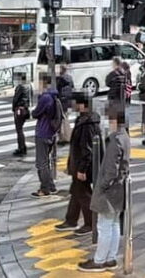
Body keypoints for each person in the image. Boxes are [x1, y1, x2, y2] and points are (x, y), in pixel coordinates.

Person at [79, 105, 130, 272]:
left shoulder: (115, 140)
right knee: (114, 223)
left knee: (104, 225)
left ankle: (100, 260)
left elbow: (110, 169)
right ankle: (110, 258)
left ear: (115, 120)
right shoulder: (125, 137)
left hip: (109, 190)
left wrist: (101, 186)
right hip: (119, 189)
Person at [56, 95, 103, 236]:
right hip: (79, 164)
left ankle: (90, 223)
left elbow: (87, 149)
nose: (74, 106)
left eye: (76, 103)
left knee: (83, 194)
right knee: (76, 193)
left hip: (84, 167)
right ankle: (71, 220)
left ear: (83, 105)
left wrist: (82, 169)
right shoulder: (84, 119)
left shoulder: (87, 124)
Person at [31, 75, 59, 197]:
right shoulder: (54, 96)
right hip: (52, 133)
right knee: (46, 162)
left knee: (41, 163)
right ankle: (51, 186)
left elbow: (36, 113)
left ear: (43, 83)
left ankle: (45, 188)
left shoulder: (45, 98)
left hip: (43, 132)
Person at [11, 74, 33, 157]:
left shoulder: (20, 87)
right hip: (26, 109)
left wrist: (13, 108)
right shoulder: (29, 86)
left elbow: (15, 98)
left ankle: (22, 148)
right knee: (20, 129)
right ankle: (22, 147)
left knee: (19, 129)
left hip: (20, 109)